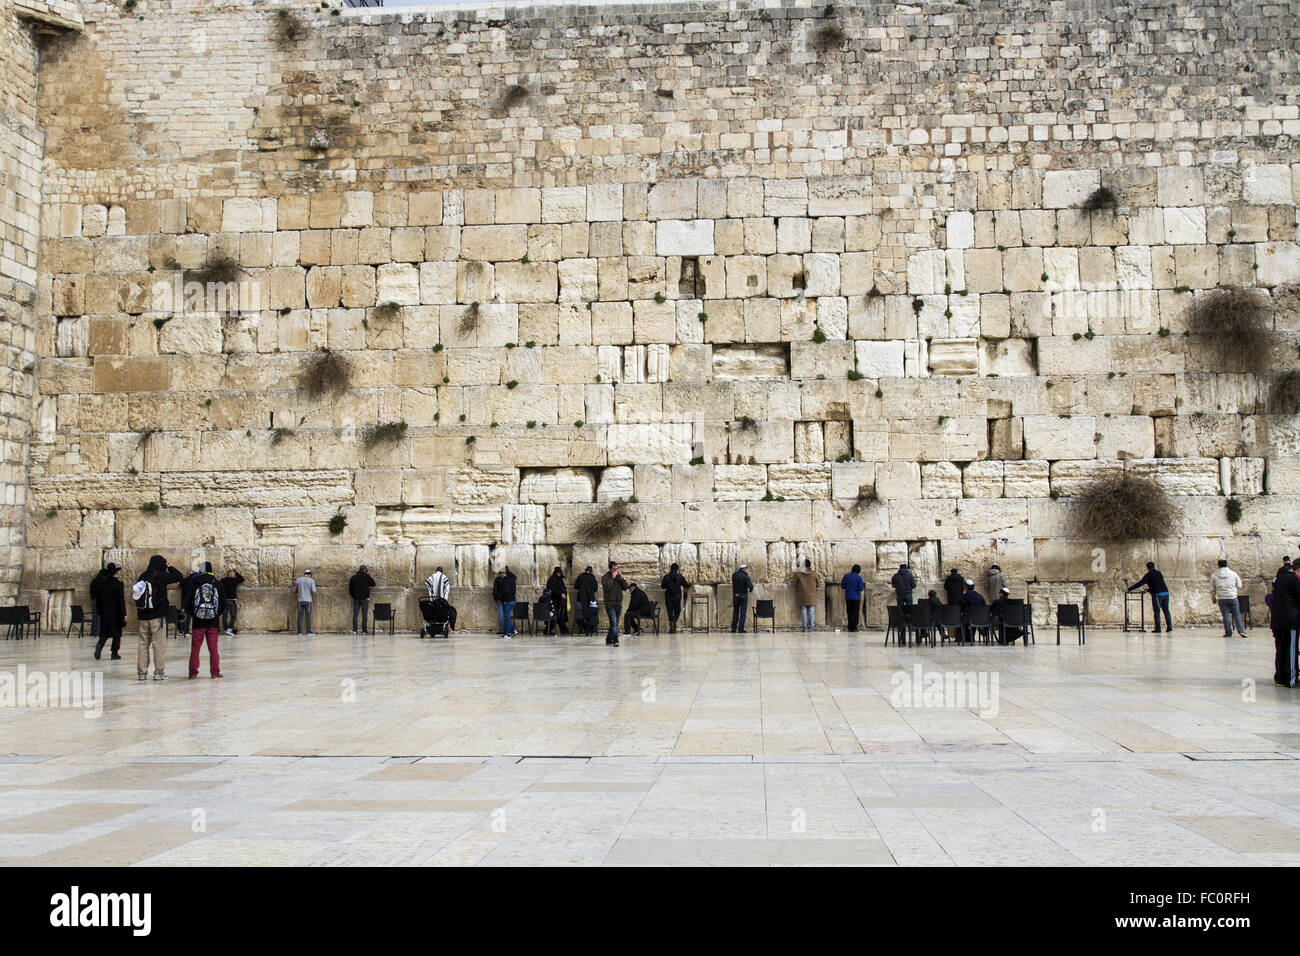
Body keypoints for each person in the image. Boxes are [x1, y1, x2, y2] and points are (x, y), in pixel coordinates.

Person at [133, 555, 182, 681]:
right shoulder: (161, 575)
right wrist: (170, 567)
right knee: (158, 645)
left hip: (143, 616)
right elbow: (179, 576)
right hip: (157, 617)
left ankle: (142, 673)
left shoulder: (143, 576)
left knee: (143, 645)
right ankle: (159, 672)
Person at [187, 561, 223, 679]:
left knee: (195, 648)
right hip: (213, 622)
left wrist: (194, 614)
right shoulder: (217, 583)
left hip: (198, 621)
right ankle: (215, 672)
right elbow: (224, 603)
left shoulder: (194, 583)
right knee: (213, 649)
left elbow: (187, 602)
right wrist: (216, 614)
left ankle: (193, 672)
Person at [1270, 564, 1300, 687]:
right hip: (1290, 621)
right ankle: (1291, 679)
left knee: (1281, 649)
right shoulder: (1293, 579)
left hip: (1278, 620)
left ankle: (1280, 677)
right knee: (1291, 650)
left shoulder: (1279, 579)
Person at [90, 563, 125, 661]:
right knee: (117, 634)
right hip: (116, 613)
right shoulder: (118, 584)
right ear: (115, 573)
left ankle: (99, 646)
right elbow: (121, 601)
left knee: (104, 633)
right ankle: (114, 653)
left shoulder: (102, 584)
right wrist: (124, 614)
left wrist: (100, 611)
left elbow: (98, 599)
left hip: (105, 613)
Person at [1127, 562, 1172, 633]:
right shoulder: (1159, 573)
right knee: (1166, 610)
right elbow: (1158, 583)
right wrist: (1149, 590)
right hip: (1166, 593)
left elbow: (1140, 583)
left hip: (1158, 594)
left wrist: (1129, 589)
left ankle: (1158, 628)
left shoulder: (1148, 575)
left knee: (1157, 611)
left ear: (1147, 568)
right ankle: (1169, 627)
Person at [1210, 559, 1247, 638]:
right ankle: (1241, 631)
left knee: (1225, 615)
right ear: (1226, 565)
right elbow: (1239, 585)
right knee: (1236, 614)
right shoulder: (1233, 573)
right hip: (1232, 596)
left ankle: (1228, 632)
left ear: (1218, 565)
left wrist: (1213, 597)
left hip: (1221, 597)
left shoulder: (1214, 575)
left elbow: (1212, 588)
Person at [600, 561, 629, 646]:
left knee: (614, 623)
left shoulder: (618, 577)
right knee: (614, 623)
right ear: (610, 568)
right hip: (610, 604)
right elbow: (606, 587)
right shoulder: (605, 577)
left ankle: (608, 639)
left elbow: (626, 587)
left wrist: (622, 579)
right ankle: (616, 640)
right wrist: (612, 578)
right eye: (614, 568)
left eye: (617, 568)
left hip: (618, 603)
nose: (616, 570)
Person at [423, 566, 457, 632]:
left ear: (436, 571)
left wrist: (431, 594)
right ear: (442, 571)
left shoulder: (432, 577)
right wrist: (445, 599)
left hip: (434, 601)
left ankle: (432, 624)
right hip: (442, 601)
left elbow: (427, 584)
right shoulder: (444, 577)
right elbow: (447, 589)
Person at [660, 562, 691, 633]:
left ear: (670, 568)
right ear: (677, 569)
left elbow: (662, 586)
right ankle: (673, 622)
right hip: (677, 597)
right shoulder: (680, 577)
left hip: (668, 596)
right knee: (677, 611)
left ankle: (672, 625)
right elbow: (686, 585)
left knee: (670, 612)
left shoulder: (666, 576)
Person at [348, 565, 376, 635]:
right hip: (365, 599)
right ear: (365, 570)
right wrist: (371, 577)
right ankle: (364, 631)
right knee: (364, 615)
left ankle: (354, 630)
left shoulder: (354, 577)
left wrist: (354, 596)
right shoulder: (367, 577)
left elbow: (350, 590)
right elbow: (373, 584)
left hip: (356, 599)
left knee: (355, 615)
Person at [793, 559, 818, 632]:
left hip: (802, 595)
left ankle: (805, 628)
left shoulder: (799, 574)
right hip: (812, 596)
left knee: (803, 611)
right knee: (811, 612)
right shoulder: (814, 573)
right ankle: (812, 627)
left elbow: (796, 583)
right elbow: (818, 583)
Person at [493, 567, 517, 638]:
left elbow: (505, 591)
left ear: (504, 573)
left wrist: (499, 597)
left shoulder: (505, 581)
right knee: (507, 617)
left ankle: (508, 633)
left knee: (506, 617)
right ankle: (513, 630)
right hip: (512, 600)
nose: (500, 575)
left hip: (507, 601)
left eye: (501, 573)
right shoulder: (512, 580)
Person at [292, 569, 317, 636]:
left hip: (300, 601)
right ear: (310, 575)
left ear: (304, 574)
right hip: (308, 601)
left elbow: (295, 589)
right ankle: (308, 631)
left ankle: (299, 632)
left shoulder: (298, 580)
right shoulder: (311, 580)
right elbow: (314, 590)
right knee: (308, 616)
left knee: (300, 616)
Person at [575, 565, 599, 635]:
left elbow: (576, 586)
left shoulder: (580, 576)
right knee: (590, 613)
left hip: (581, 598)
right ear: (591, 571)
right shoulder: (592, 577)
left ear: (585, 570)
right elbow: (596, 588)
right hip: (590, 598)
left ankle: (581, 629)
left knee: (581, 613)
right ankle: (591, 629)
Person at [841, 564, 865, 631]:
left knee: (849, 612)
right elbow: (861, 588)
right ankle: (854, 627)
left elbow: (843, 586)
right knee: (855, 613)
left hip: (848, 597)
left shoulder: (846, 576)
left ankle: (849, 626)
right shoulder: (859, 578)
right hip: (856, 598)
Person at [545, 566, 568, 635]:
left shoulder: (559, 579)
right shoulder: (552, 579)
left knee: (560, 616)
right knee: (557, 616)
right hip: (555, 601)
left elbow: (561, 587)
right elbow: (553, 589)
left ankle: (562, 630)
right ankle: (548, 630)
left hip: (560, 601)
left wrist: (565, 590)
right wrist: (561, 594)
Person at [731, 563, 753, 633]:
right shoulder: (746, 576)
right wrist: (750, 590)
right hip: (743, 596)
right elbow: (750, 586)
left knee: (735, 612)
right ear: (745, 569)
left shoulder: (734, 575)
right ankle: (740, 629)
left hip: (735, 596)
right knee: (743, 612)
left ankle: (733, 628)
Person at [220, 568, 243, 636]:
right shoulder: (234, 580)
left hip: (224, 600)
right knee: (233, 616)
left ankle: (226, 629)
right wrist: (236, 572)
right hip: (232, 600)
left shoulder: (223, 580)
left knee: (225, 615)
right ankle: (229, 630)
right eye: (233, 574)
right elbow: (242, 579)